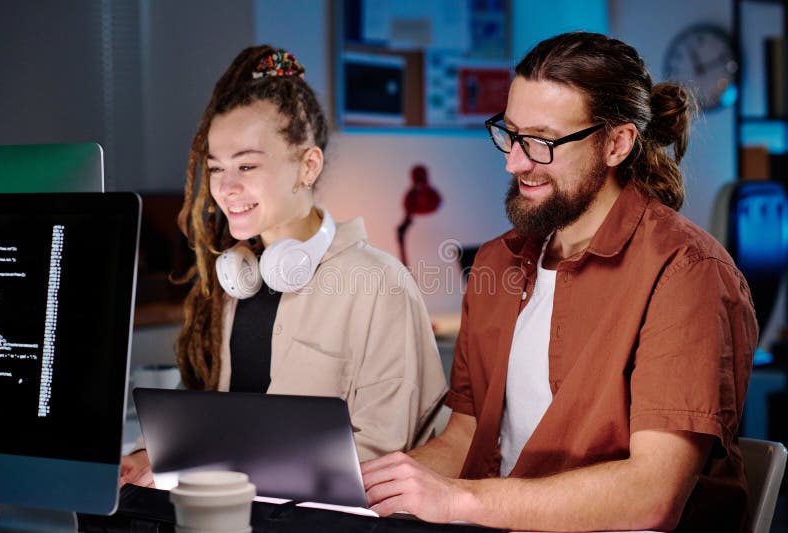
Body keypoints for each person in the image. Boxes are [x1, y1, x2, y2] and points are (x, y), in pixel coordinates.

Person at [361, 31, 758, 532]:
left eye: (542, 142)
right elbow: (467, 438)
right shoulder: (493, 264)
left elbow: (651, 495)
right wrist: (366, 485)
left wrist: (459, 501)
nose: (514, 161)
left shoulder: (686, 273)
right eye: (509, 133)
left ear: (616, 144)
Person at [121, 45, 446, 486]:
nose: (226, 187)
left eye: (247, 165)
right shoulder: (235, 281)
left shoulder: (379, 284)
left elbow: (381, 457)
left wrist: (207, 469)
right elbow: (211, 417)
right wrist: (154, 452)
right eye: (216, 169)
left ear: (307, 166)